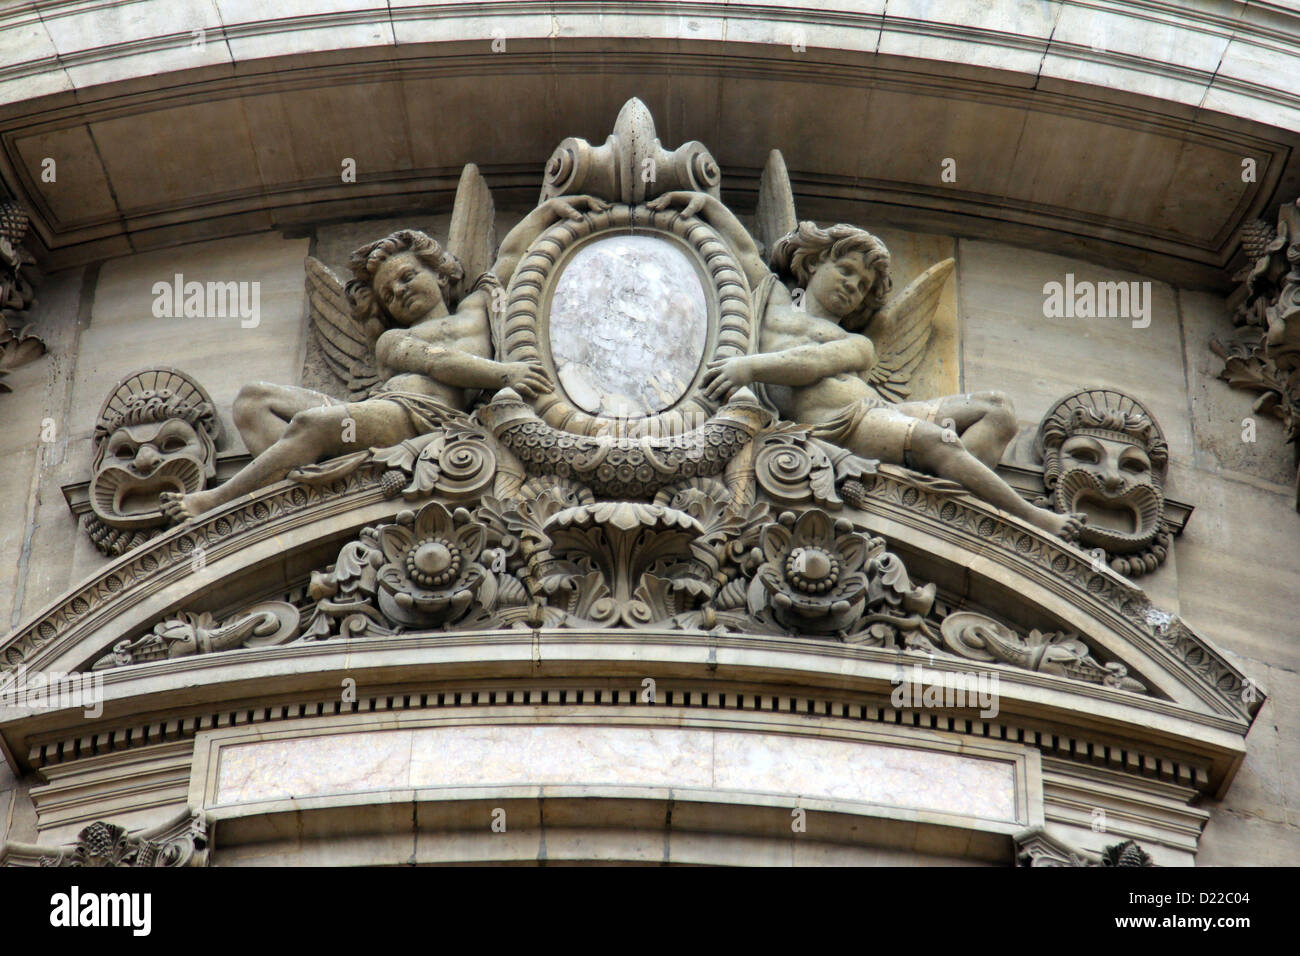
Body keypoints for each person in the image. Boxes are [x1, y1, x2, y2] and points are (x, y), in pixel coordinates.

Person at [160, 196, 609, 520]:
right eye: (388, 293)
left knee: (312, 425)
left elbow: (512, 255)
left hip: (427, 421)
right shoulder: (392, 342)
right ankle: (309, 487)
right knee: (252, 399)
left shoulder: (477, 306)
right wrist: (503, 373)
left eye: (408, 275)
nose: (399, 290)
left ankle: (218, 501)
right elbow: (436, 362)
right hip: (394, 411)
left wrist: (547, 211)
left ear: (440, 272)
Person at [669, 207, 1082, 540]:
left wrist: (747, 366)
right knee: (936, 439)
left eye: (864, 284)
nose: (853, 285)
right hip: (839, 425)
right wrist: (706, 204)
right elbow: (742, 249)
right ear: (812, 265)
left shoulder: (859, 345)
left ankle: (942, 494)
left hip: (873, 410)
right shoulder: (773, 299)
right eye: (845, 270)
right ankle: (1027, 514)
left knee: (999, 409)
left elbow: (812, 365)